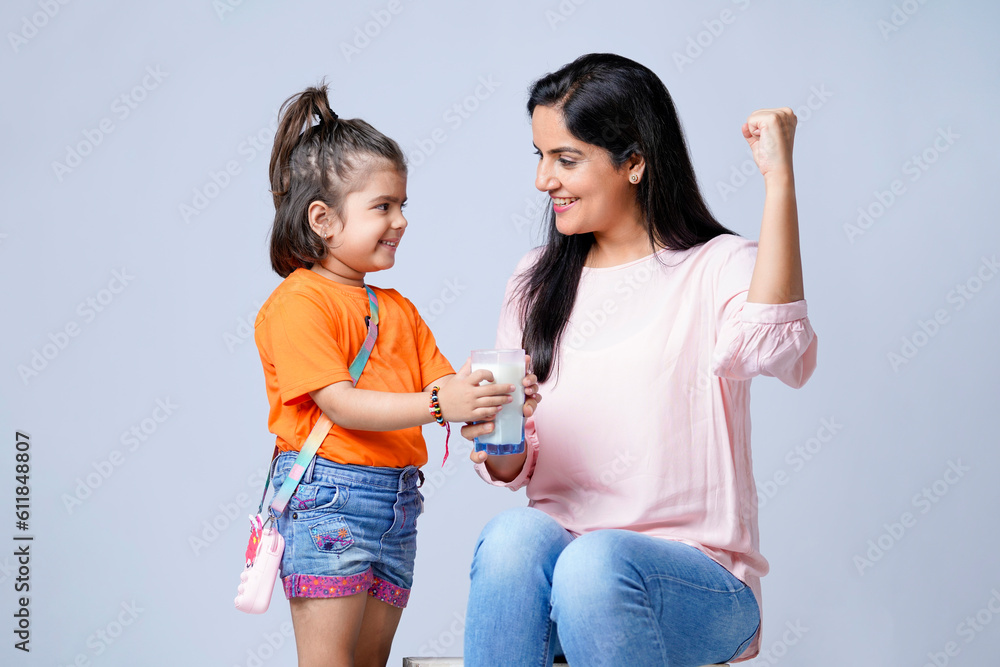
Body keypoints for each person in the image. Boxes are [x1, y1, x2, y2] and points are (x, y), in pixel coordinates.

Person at [461, 53, 818, 666]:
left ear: (634, 162)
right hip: (561, 564)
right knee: (511, 538)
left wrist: (778, 178)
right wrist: (500, 431)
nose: (544, 181)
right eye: (539, 157)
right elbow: (514, 469)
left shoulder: (716, 267)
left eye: (566, 159)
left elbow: (778, 347)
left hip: (698, 583)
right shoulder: (534, 283)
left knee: (593, 565)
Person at [253, 83, 539, 667]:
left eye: (403, 204)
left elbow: (441, 387)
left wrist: (495, 398)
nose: (401, 220)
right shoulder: (298, 303)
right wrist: (442, 407)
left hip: (396, 504)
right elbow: (341, 404)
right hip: (328, 499)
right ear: (323, 220)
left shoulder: (398, 310)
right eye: (383, 206)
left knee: (370, 661)